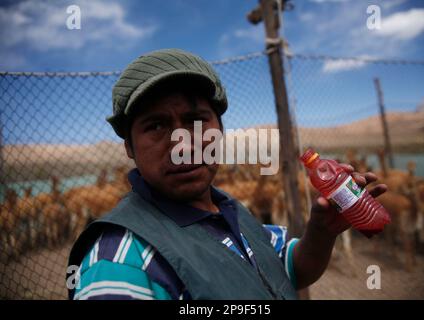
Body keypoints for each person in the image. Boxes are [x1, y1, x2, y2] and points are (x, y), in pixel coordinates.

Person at [67, 49, 387, 300]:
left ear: (220, 131)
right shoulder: (120, 264)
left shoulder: (231, 212)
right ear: (129, 147)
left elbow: (288, 271)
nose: (184, 143)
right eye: (156, 125)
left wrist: (322, 231)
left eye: (197, 120)